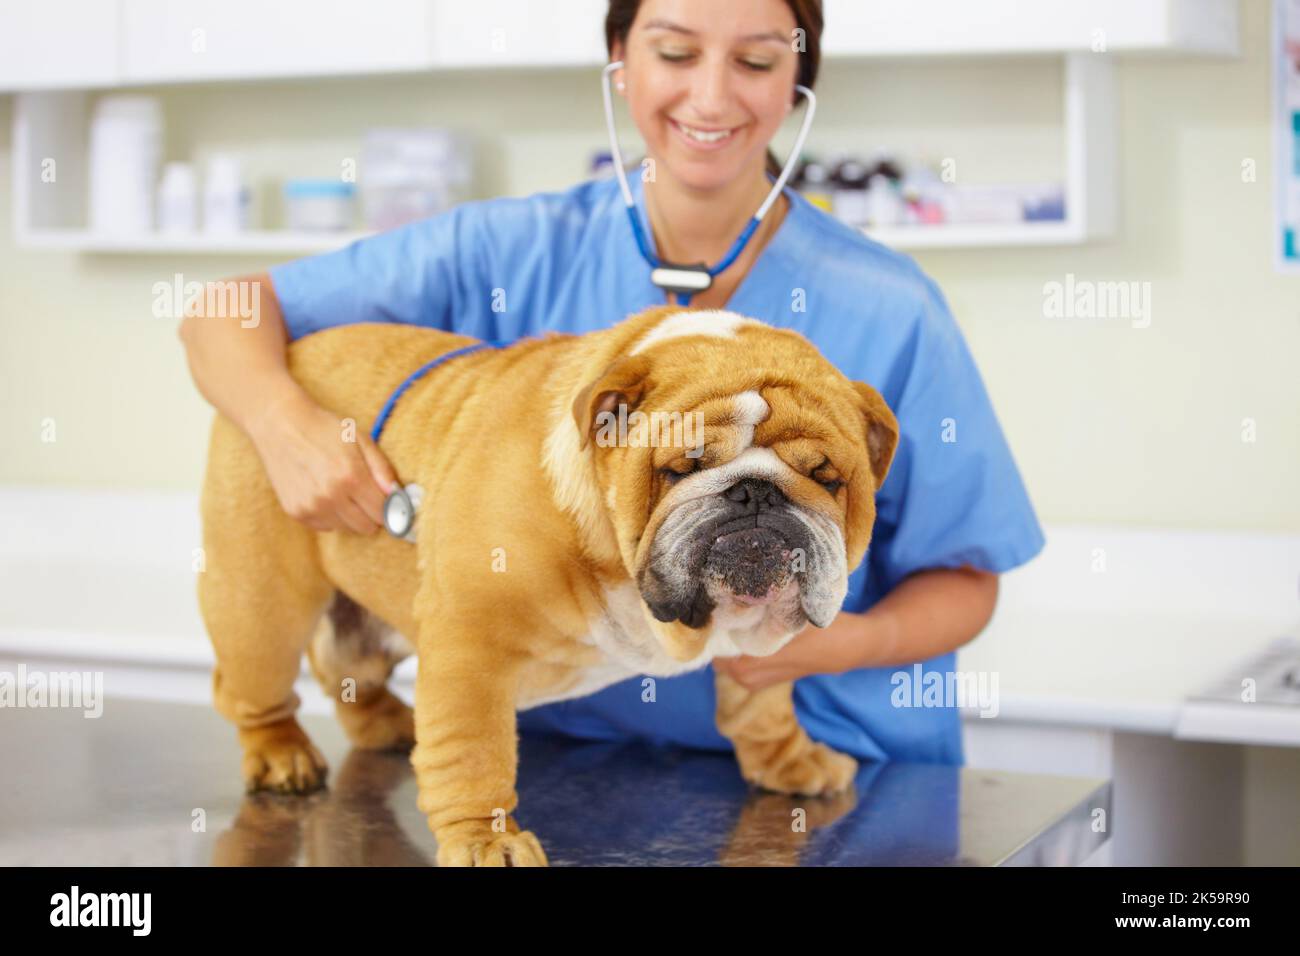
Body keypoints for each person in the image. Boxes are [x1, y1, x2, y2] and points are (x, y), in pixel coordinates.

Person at [179, 0, 1044, 766]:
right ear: (620, 63)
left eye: (754, 60)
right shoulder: (508, 250)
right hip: (562, 763)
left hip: (830, 769)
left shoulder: (892, 309)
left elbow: (966, 579)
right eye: (674, 53)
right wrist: (285, 427)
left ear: (796, 84)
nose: (711, 96)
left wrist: (836, 642)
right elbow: (223, 311)